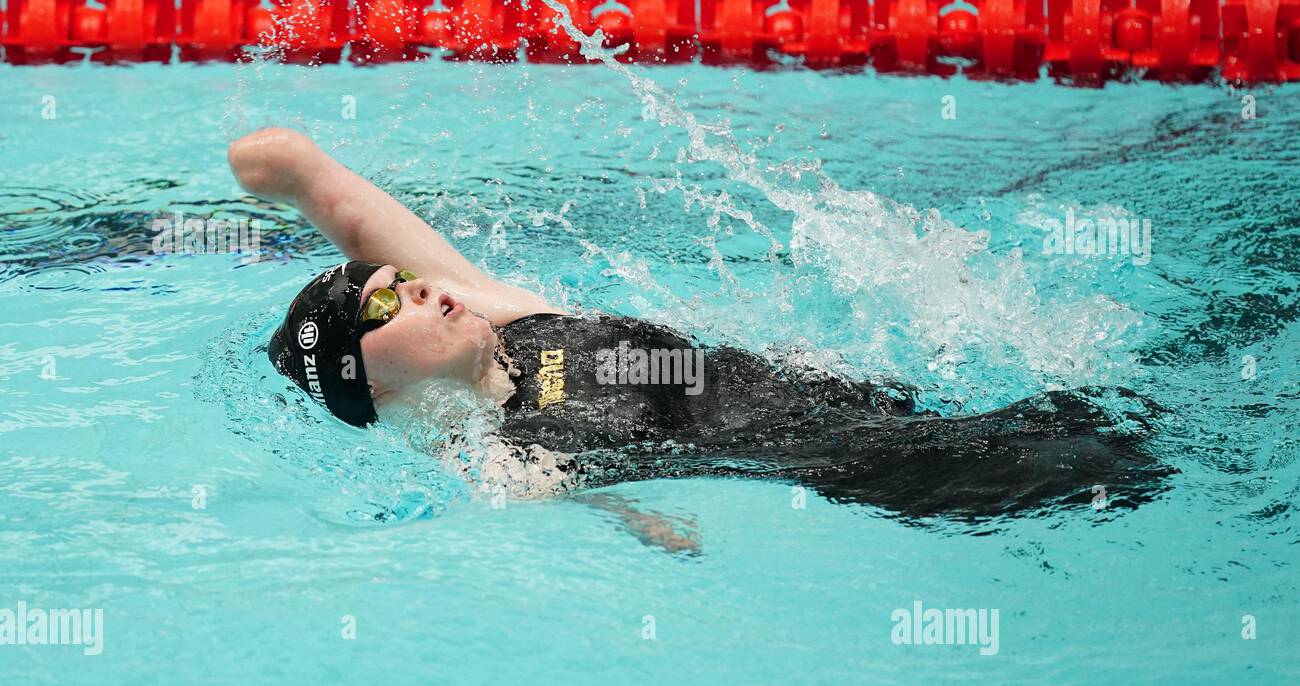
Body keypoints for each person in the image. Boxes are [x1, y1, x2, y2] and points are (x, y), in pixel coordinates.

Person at [228, 127, 1174, 539]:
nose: (425, 294)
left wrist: (290, 170)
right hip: (898, 469)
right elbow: (535, 507)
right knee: (1155, 460)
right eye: (385, 309)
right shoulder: (504, 457)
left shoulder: (508, 318)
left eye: (409, 284)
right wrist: (633, 523)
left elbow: (345, 206)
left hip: (906, 393)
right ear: (371, 388)